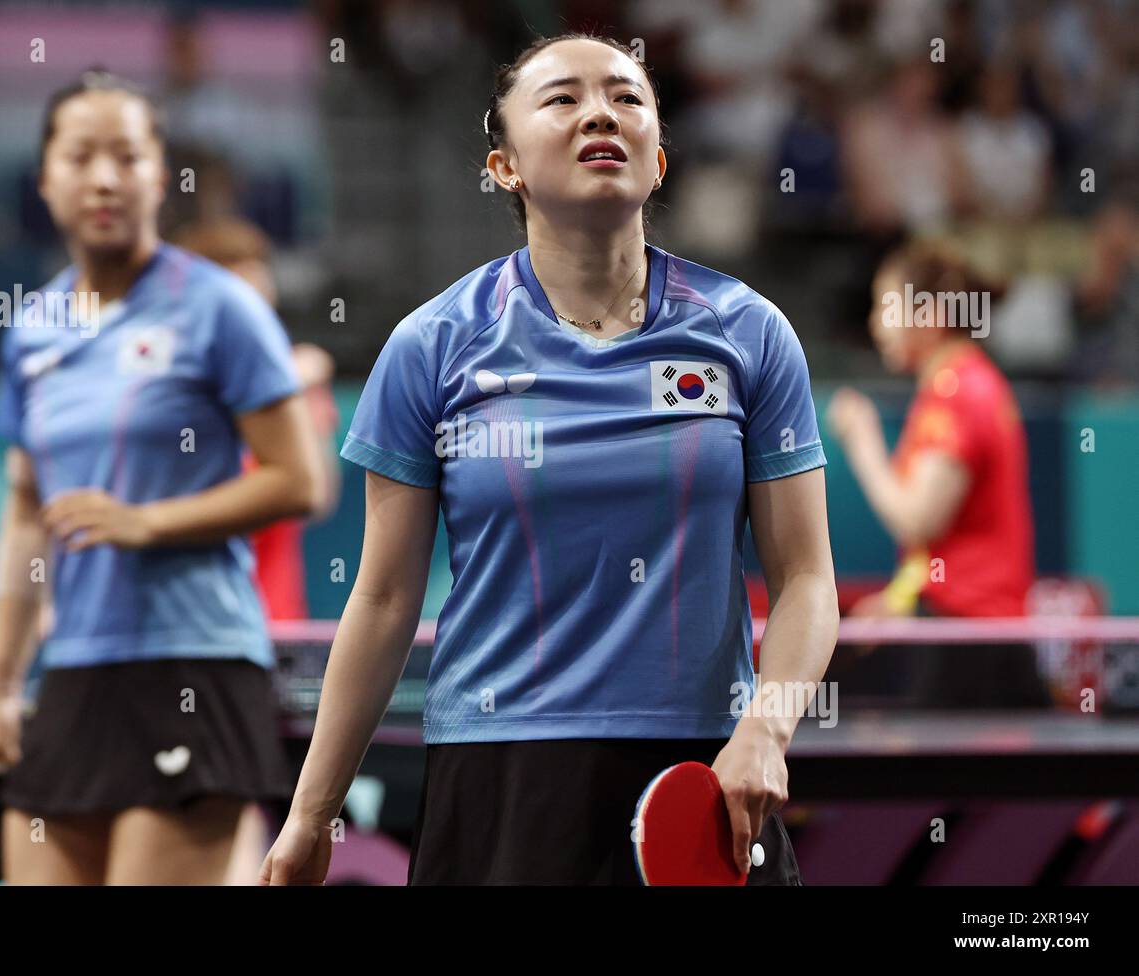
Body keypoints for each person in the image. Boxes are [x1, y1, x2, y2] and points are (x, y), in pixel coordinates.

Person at [260, 34, 838, 886]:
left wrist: (767, 727)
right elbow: (383, 599)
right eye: (563, 98)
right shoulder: (434, 346)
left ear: (660, 161)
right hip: (502, 772)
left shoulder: (746, 331)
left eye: (626, 97)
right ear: (505, 166)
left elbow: (807, 581)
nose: (600, 111)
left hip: (705, 769)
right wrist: (311, 814)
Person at [0, 70, 328, 884]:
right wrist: (0, 684)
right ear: (45, 178)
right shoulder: (33, 328)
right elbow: (28, 514)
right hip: (73, 671)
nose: (105, 177)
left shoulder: (217, 308)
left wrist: (149, 522)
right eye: (81, 156)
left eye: (127, 156)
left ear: (159, 175)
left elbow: (298, 481)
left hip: (194, 664)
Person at [170, 216, 342, 884]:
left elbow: (314, 495)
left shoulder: (286, 392)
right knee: (215, 819)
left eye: (263, 307)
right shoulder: (175, 399)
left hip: (276, 644)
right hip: (192, 645)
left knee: (256, 820)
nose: (257, 325)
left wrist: (295, 395)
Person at [827, 240, 1051, 708]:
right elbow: (940, 544)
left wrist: (864, 441)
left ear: (927, 315)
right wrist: (902, 598)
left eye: (884, 307)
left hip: (972, 641)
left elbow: (918, 520)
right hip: (973, 631)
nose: (875, 324)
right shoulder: (962, 383)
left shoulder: (958, 392)